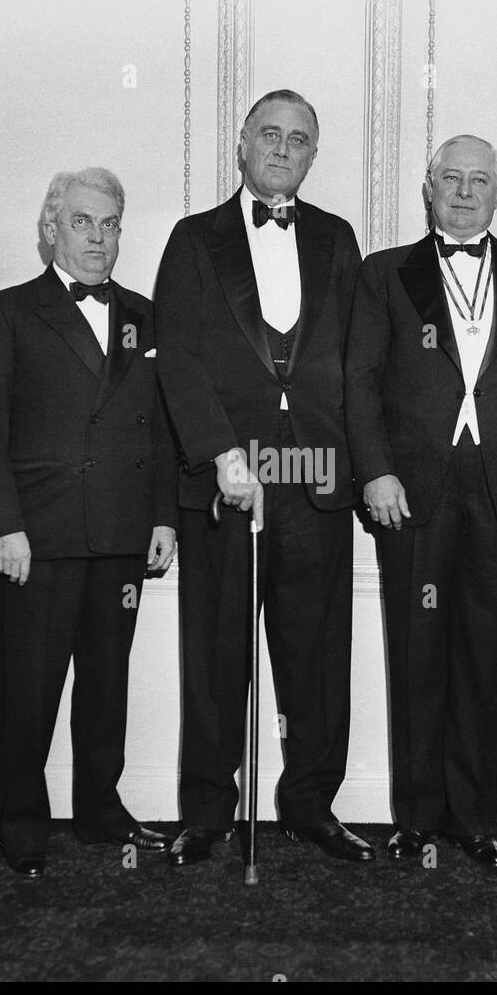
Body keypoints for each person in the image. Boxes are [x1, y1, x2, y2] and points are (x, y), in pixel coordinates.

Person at [154, 89, 370, 865]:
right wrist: (220, 453)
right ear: (242, 143)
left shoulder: (340, 241)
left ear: (314, 156)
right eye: (269, 135)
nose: (282, 149)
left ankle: (311, 803)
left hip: (316, 481)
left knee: (316, 655)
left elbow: (360, 364)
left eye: (299, 140)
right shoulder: (192, 240)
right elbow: (175, 357)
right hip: (226, 484)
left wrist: (360, 466)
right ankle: (209, 811)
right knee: (217, 655)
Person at [345, 134, 497, 868]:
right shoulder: (384, 274)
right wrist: (375, 471)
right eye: (452, 178)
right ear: (428, 188)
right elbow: (359, 382)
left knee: (485, 654)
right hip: (412, 489)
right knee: (416, 654)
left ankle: (476, 819)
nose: (466, 192)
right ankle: (415, 816)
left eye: (480, 181)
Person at [0, 169, 177, 878]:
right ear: (51, 227)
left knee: (107, 683)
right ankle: (22, 820)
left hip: (120, 536)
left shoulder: (145, 315)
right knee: (29, 687)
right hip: (37, 540)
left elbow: (164, 431)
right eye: (83, 222)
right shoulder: (7, 312)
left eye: (110, 224)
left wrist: (164, 518)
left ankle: (99, 806)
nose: (99, 238)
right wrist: (1, 526)